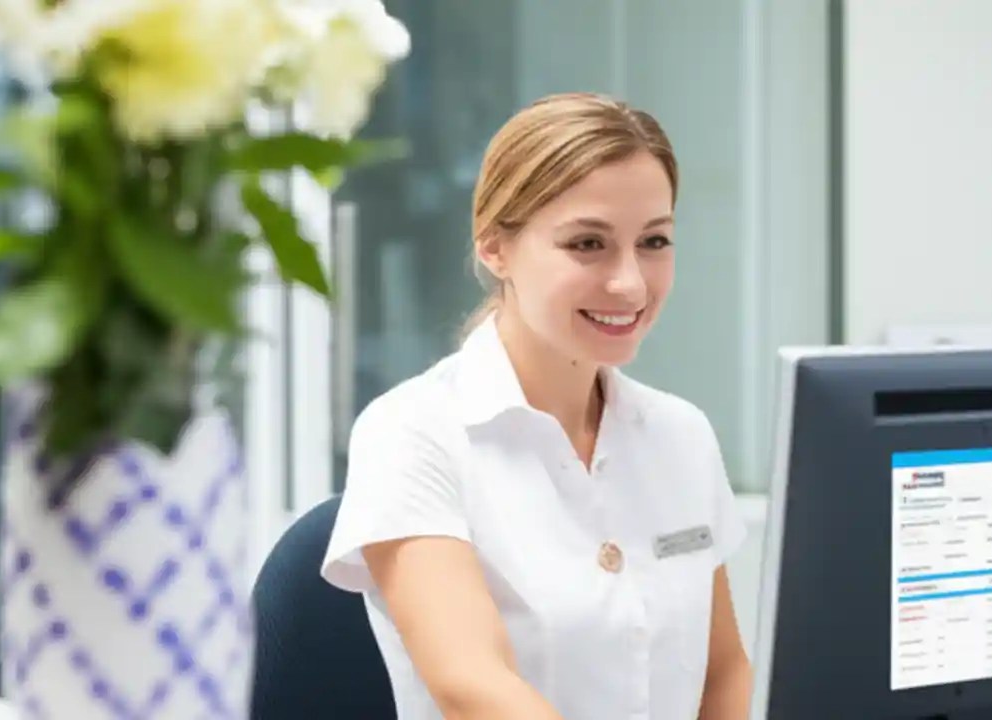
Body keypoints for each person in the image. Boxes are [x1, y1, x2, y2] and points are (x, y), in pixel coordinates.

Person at [321, 92, 751, 720]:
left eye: (654, 241)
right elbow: (472, 687)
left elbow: (723, 673)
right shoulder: (412, 433)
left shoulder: (681, 435)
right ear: (495, 247)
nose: (630, 282)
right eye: (587, 244)